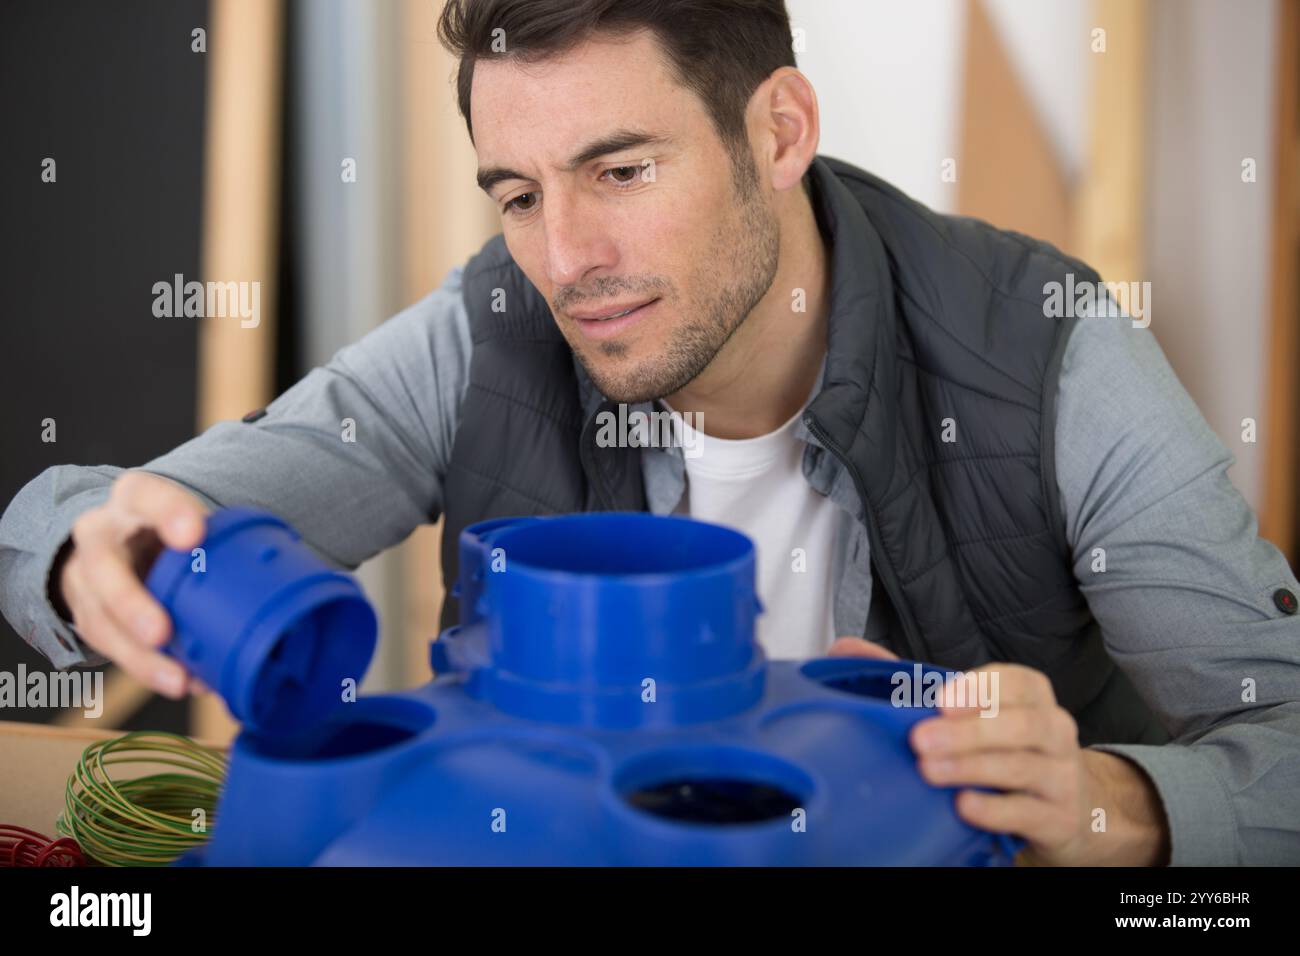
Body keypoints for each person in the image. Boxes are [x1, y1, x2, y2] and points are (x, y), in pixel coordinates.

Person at [2, 0, 1297, 866]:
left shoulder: (1052, 352)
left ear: (779, 130)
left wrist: (1126, 808)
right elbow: (106, 515)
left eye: (623, 171)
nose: (567, 260)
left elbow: (1282, 745)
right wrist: (85, 547)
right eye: (518, 193)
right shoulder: (488, 333)